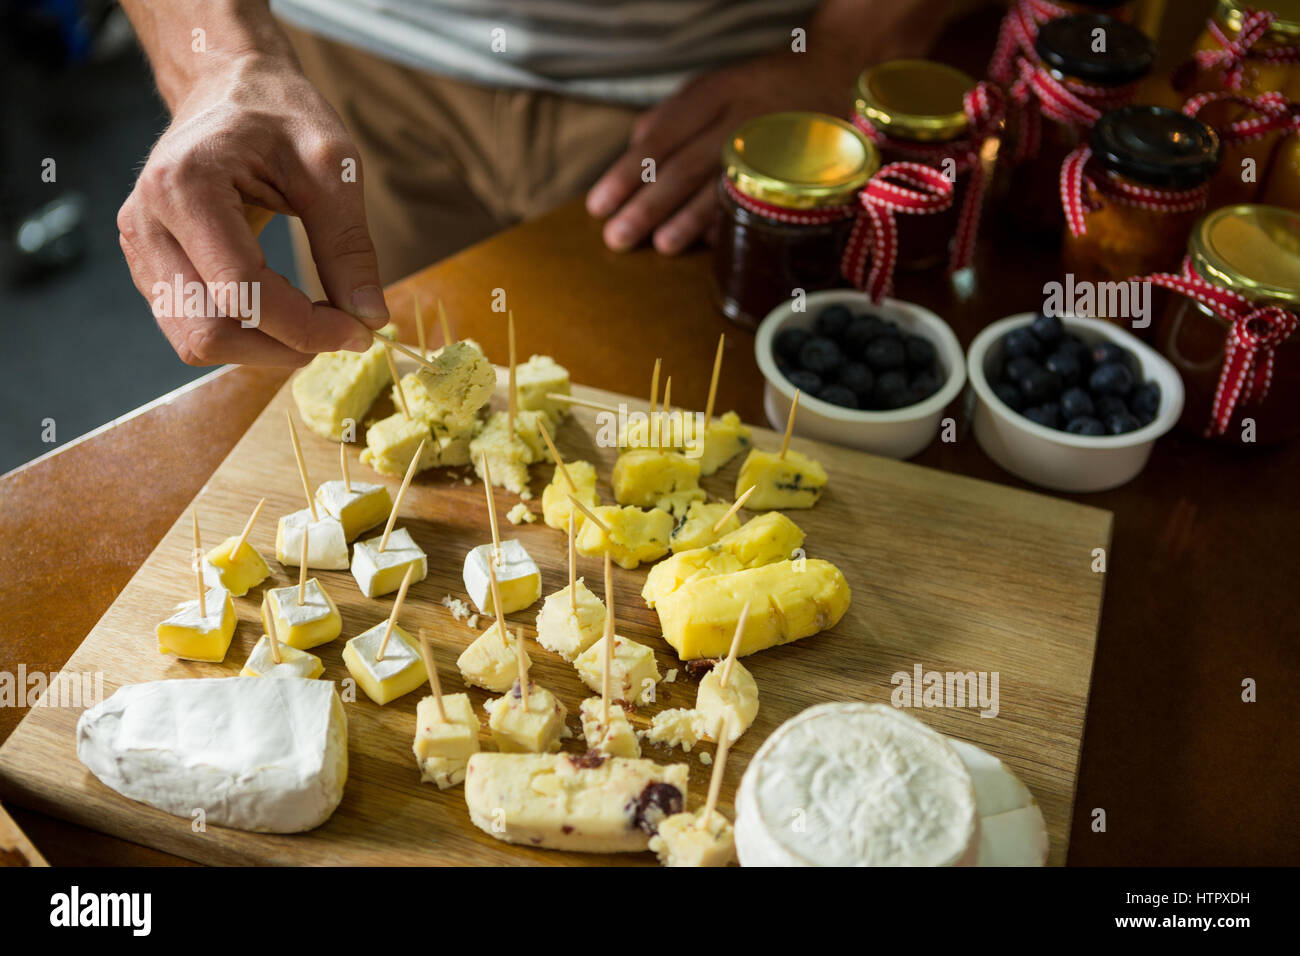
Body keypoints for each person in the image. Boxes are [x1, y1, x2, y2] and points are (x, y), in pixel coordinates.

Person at [116, 0, 946, 367]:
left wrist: (840, 47)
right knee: (394, 391)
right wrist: (216, 57)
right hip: (337, 77)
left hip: (718, 92)